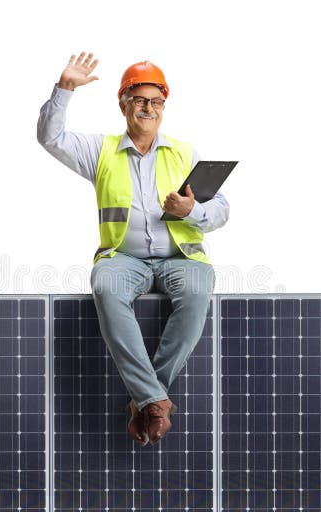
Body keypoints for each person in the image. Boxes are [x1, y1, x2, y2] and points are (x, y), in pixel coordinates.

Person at [37, 52, 229, 445]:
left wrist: (191, 210)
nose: (148, 108)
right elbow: (50, 137)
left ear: (164, 106)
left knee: (197, 291)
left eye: (156, 101)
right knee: (106, 288)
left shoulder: (183, 152)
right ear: (123, 103)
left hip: (180, 256)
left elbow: (221, 210)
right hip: (123, 259)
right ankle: (155, 399)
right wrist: (65, 89)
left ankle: (147, 399)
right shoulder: (101, 151)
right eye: (139, 99)